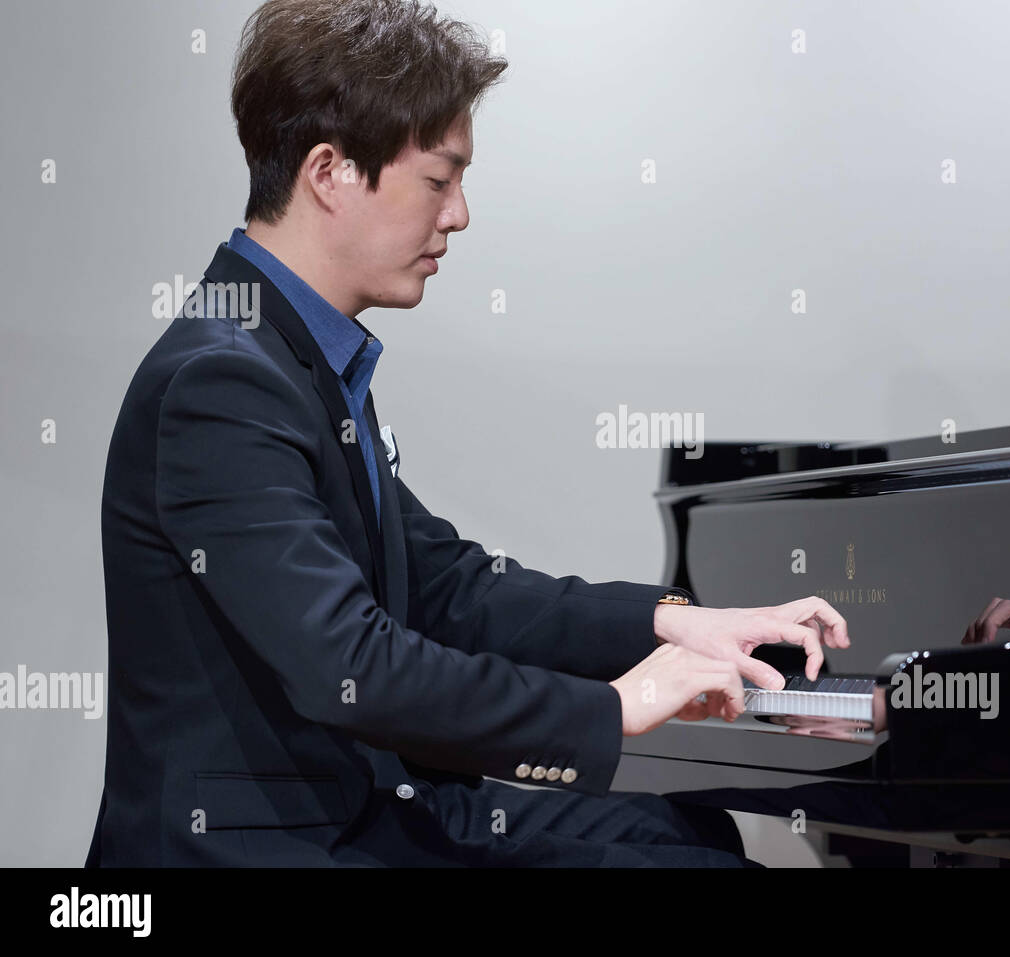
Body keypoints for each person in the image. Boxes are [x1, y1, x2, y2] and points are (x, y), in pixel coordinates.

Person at [84, 0, 850, 867]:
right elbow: (355, 664)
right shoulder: (221, 383)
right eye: (439, 181)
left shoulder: (291, 356)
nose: (459, 216)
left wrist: (679, 623)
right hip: (266, 845)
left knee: (686, 831)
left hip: (354, 810)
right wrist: (613, 709)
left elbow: (456, 590)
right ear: (330, 172)